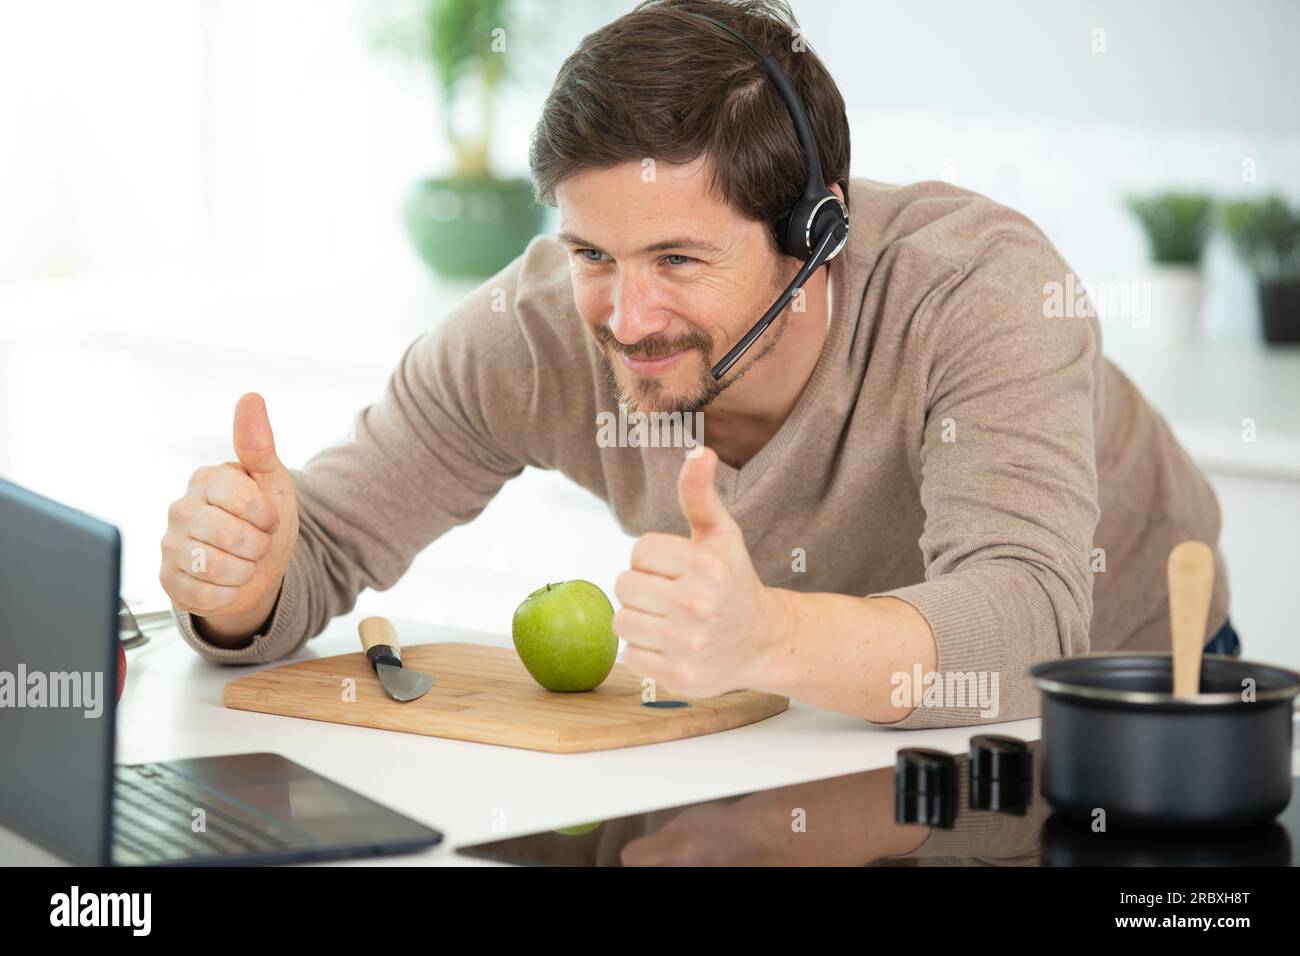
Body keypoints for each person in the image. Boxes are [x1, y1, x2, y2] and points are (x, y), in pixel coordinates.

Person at [159, 0, 1231, 729]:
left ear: (818, 236)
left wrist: (766, 632)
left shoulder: (975, 289)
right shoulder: (534, 332)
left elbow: (1028, 622)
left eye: (677, 257)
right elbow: (324, 545)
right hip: (802, 708)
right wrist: (241, 585)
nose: (625, 316)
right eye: (591, 252)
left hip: (1126, 701)